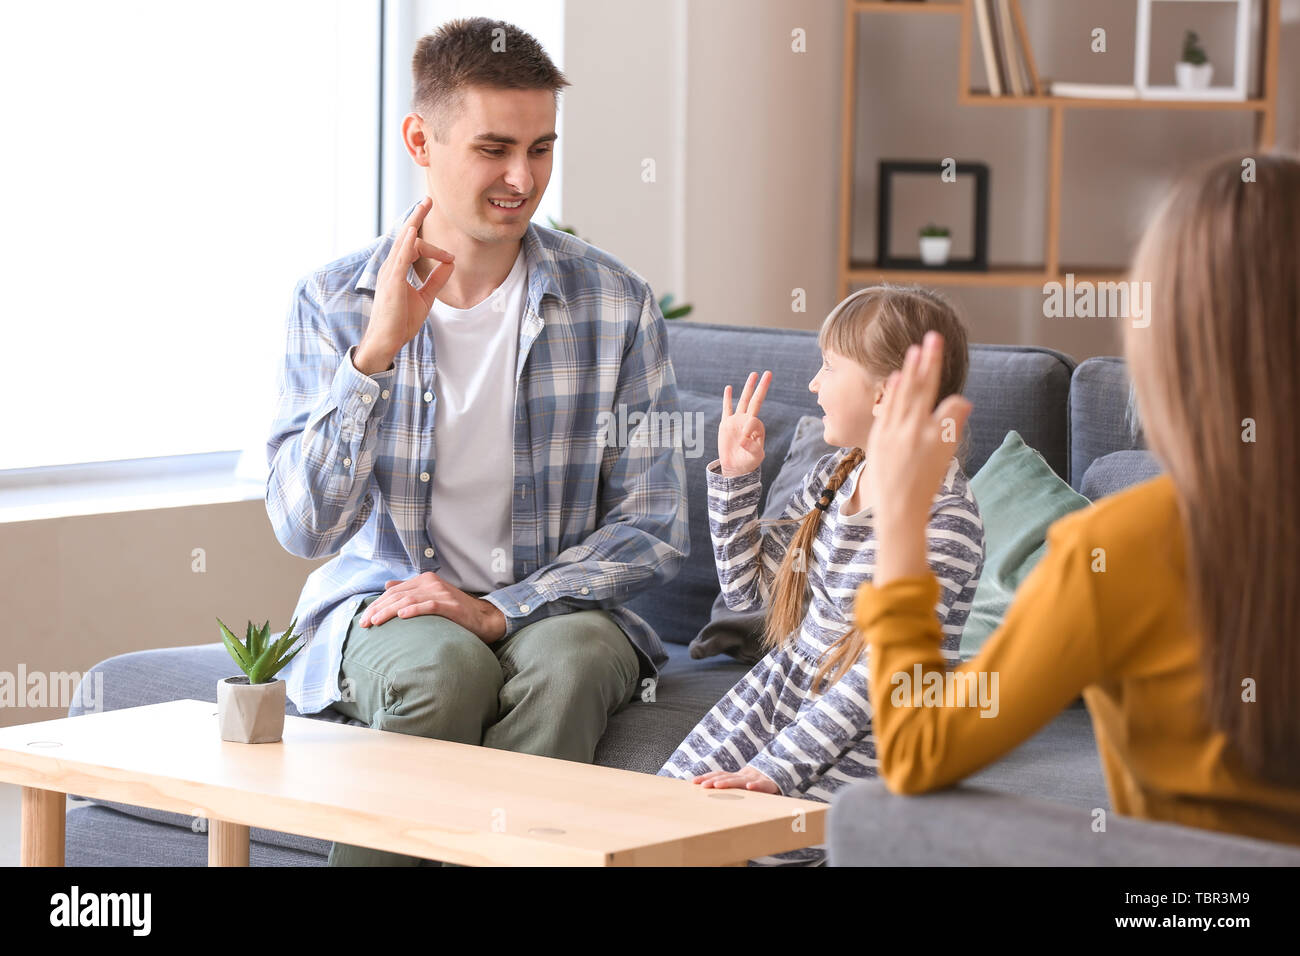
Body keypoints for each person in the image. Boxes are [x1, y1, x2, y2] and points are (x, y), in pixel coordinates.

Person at [265, 18, 688, 866]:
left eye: (541, 148)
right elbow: (303, 529)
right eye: (494, 148)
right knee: (442, 671)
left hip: (557, 607)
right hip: (387, 604)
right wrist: (374, 356)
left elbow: (653, 524)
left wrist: (500, 611)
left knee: (568, 664)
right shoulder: (333, 302)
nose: (521, 177)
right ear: (420, 139)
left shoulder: (616, 303)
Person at [856, 152, 1300, 847]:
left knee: (868, 820)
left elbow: (915, 752)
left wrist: (900, 526)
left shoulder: (1117, 551)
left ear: (1171, 342)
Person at [657, 285, 985, 865]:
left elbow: (875, 682)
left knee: (720, 845)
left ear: (886, 392)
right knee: (653, 822)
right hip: (775, 700)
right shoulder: (837, 474)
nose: (813, 384)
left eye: (829, 367)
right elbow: (748, 594)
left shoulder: (946, 522)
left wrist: (775, 772)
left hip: (860, 744)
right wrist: (734, 481)